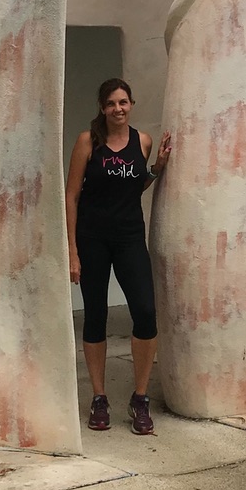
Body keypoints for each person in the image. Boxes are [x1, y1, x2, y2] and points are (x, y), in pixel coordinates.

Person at [65, 78, 171, 435]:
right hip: (92, 240)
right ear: (102, 107)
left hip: (128, 239)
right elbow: (71, 197)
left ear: (131, 104)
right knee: (95, 316)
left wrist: (156, 168)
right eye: (111, 103)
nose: (118, 109)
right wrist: (72, 251)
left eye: (123, 102)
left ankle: (139, 398)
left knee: (144, 312)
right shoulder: (87, 142)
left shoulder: (142, 141)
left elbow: (132, 185)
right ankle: (99, 397)